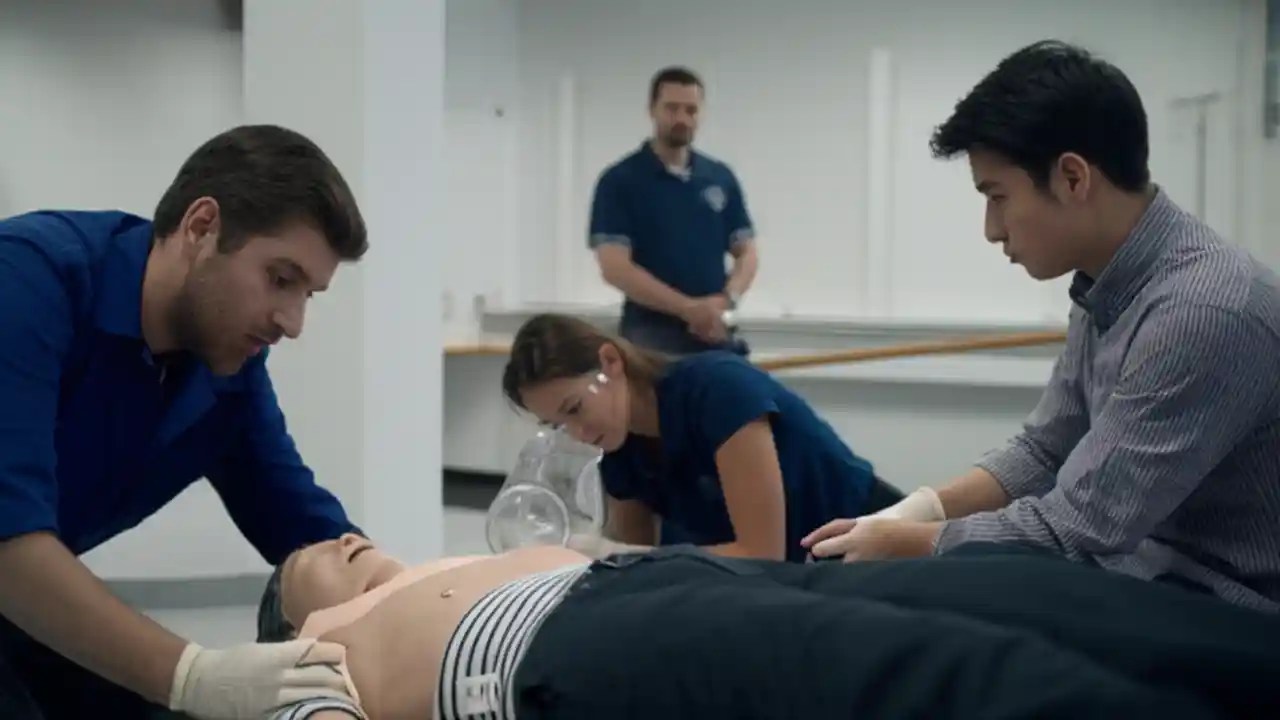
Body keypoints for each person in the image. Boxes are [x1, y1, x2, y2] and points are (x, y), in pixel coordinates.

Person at [801, 40, 1280, 613]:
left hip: (1232, 615)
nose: (991, 229)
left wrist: (916, 543)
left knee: (939, 630)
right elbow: (1046, 451)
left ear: (1073, 178)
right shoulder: (1106, 285)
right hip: (1147, 581)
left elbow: (1077, 529)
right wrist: (920, 509)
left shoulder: (1204, 310)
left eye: (997, 197)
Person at [0, 125, 369, 719]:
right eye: (280, 278)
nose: (293, 322)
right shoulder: (25, 280)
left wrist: (419, 596)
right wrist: (192, 675)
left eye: (310, 294)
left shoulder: (223, 369)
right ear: (201, 228)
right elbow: (8, 543)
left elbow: (298, 520)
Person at [255, 534, 1280, 719]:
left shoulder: (445, 556)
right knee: (931, 669)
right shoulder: (316, 647)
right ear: (285, 612)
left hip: (651, 586)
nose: (338, 536)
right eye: (309, 552)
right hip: (557, 655)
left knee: (1020, 591)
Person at [501, 313, 895, 563]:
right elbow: (634, 568)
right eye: (558, 425)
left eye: (574, 409)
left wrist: (617, 555)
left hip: (877, 543)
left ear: (611, 362)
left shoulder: (718, 390)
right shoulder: (621, 451)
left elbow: (761, 554)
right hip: (797, 577)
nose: (579, 434)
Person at [589, 66, 758, 356]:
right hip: (650, 337)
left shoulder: (719, 177)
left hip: (714, 333)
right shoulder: (620, 181)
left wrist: (726, 299)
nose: (681, 118)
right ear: (652, 110)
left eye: (691, 110)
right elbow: (614, 268)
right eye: (671, 108)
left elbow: (748, 253)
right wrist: (687, 309)